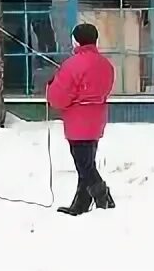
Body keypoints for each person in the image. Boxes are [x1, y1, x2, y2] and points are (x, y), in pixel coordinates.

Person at [46, 22, 117, 216]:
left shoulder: (71, 65)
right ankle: (81, 204)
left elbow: (59, 98)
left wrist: (51, 86)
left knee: (84, 165)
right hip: (96, 119)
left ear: (76, 41)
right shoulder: (106, 65)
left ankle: (103, 197)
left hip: (77, 121)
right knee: (87, 162)